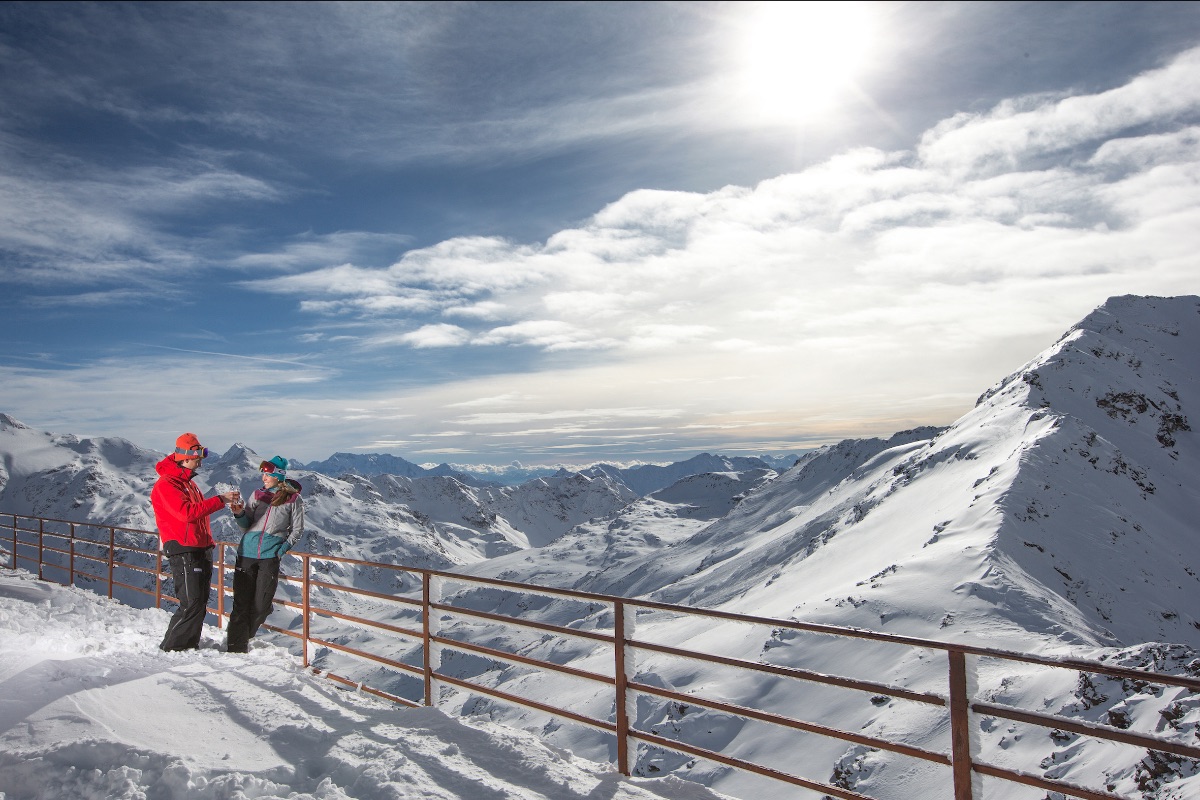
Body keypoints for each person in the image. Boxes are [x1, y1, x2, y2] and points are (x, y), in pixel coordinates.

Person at [151, 432, 240, 652]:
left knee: (199, 602)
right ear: (185, 456)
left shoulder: (188, 484)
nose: (201, 460)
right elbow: (187, 513)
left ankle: (188, 645)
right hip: (184, 548)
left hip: (199, 547)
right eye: (198, 455)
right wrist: (221, 500)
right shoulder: (167, 485)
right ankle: (171, 649)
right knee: (190, 602)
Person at [225, 455, 305, 653]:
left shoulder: (293, 498)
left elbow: (297, 530)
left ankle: (245, 636)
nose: (263, 478)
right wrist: (239, 514)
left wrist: (281, 550)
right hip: (246, 553)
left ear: (279, 475)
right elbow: (246, 526)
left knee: (261, 605)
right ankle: (235, 647)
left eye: (267, 474)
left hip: (269, 556)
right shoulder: (257, 495)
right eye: (263, 474)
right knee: (241, 603)